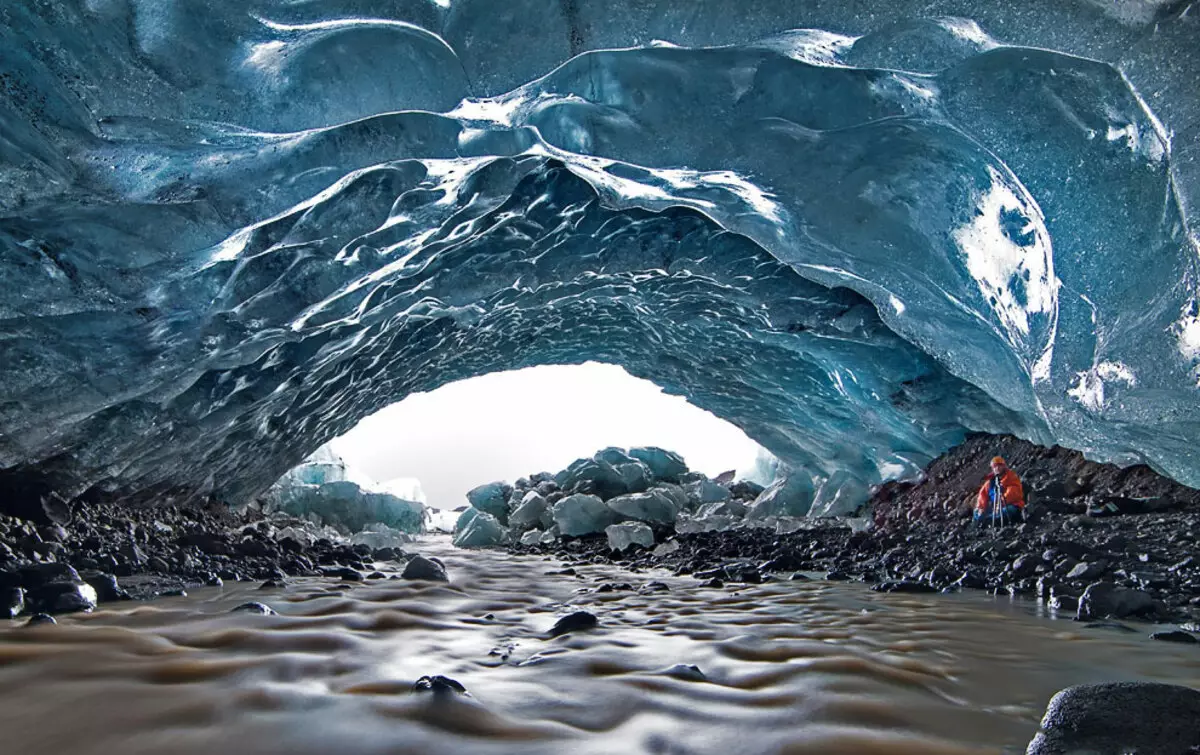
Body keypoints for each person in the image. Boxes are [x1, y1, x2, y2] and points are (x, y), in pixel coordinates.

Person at [975, 456, 1024, 525]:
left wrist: (1000, 503)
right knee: (977, 513)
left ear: (1004, 466)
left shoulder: (1011, 477)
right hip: (995, 508)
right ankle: (985, 521)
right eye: (995, 466)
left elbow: (1013, 493)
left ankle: (987, 521)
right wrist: (981, 508)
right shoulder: (990, 482)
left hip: (1011, 505)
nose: (997, 468)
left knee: (1006, 512)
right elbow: (982, 495)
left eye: (999, 465)